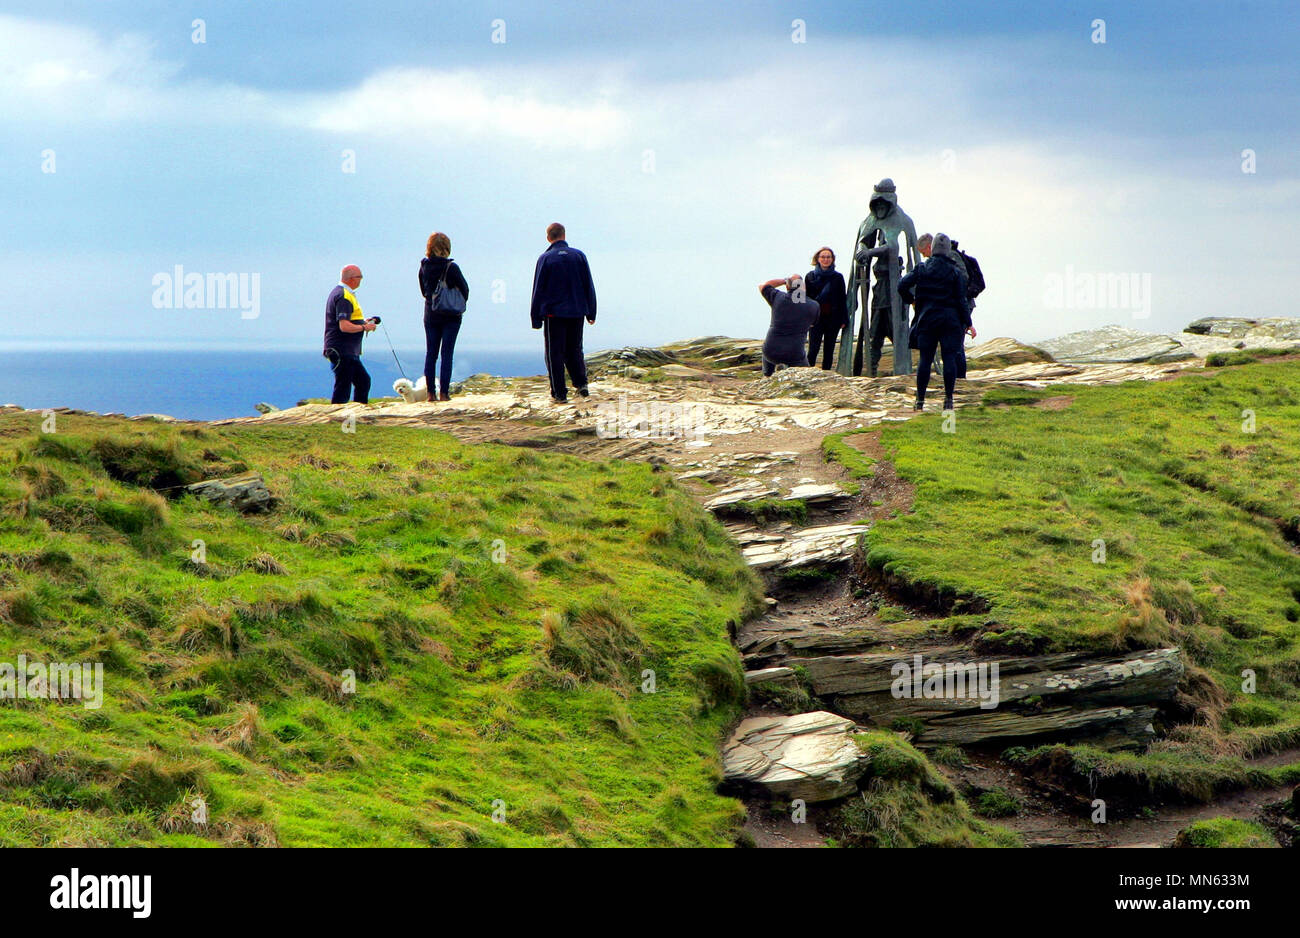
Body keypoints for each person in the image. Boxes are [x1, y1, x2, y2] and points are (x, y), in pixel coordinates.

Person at [899, 234, 974, 412]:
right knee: (949, 358)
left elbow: (902, 285)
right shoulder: (955, 271)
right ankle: (948, 400)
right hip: (950, 320)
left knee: (925, 360)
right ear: (947, 250)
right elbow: (961, 300)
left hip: (927, 318)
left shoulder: (922, 268)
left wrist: (911, 300)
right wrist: (968, 323)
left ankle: (920, 401)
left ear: (932, 248)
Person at [530, 223, 597, 403]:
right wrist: (592, 312)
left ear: (548, 237)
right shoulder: (579, 256)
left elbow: (538, 289)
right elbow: (588, 285)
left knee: (554, 353)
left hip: (554, 314)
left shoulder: (545, 258)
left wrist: (535, 317)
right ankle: (581, 385)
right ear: (564, 235)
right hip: (577, 311)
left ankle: (559, 393)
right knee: (575, 349)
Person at [418, 232, 470, 402]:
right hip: (451, 316)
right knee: (447, 353)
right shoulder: (451, 267)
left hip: (431, 313)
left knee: (431, 353)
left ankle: (430, 393)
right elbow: (465, 290)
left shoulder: (424, 266)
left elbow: (423, 291)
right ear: (447, 248)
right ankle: (444, 393)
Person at [323, 264, 378, 404]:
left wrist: (363, 322)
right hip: (342, 349)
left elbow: (349, 320)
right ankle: (337, 416)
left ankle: (358, 412)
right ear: (352, 279)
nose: (361, 280)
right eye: (360, 277)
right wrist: (364, 327)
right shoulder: (344, 296)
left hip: (347, 350)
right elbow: (344, 326)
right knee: (344, 385)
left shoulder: (344, 293)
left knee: (363, 381)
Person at [759, 275, 821, 376]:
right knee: (805, 373)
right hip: (794, 354)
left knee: (768, 347)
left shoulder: (778, 297)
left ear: (788, 287)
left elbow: (762, 285)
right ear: (803, 286)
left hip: (771, 352)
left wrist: (784, 281)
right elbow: (813, 324)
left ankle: (767, 376)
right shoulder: (814, 305)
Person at [805, 247, 847, 370]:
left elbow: (842, 299)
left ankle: (826, 375)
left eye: (828, 257)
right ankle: (807, 373)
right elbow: (806, 299)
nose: (826, 259)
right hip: (815, 319)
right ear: (817, 259)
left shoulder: (838, 277)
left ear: (832, 259)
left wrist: (843, 319)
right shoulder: (810, 276)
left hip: (833, 318)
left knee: (829, 349)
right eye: (823, 257)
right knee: (813, 348)